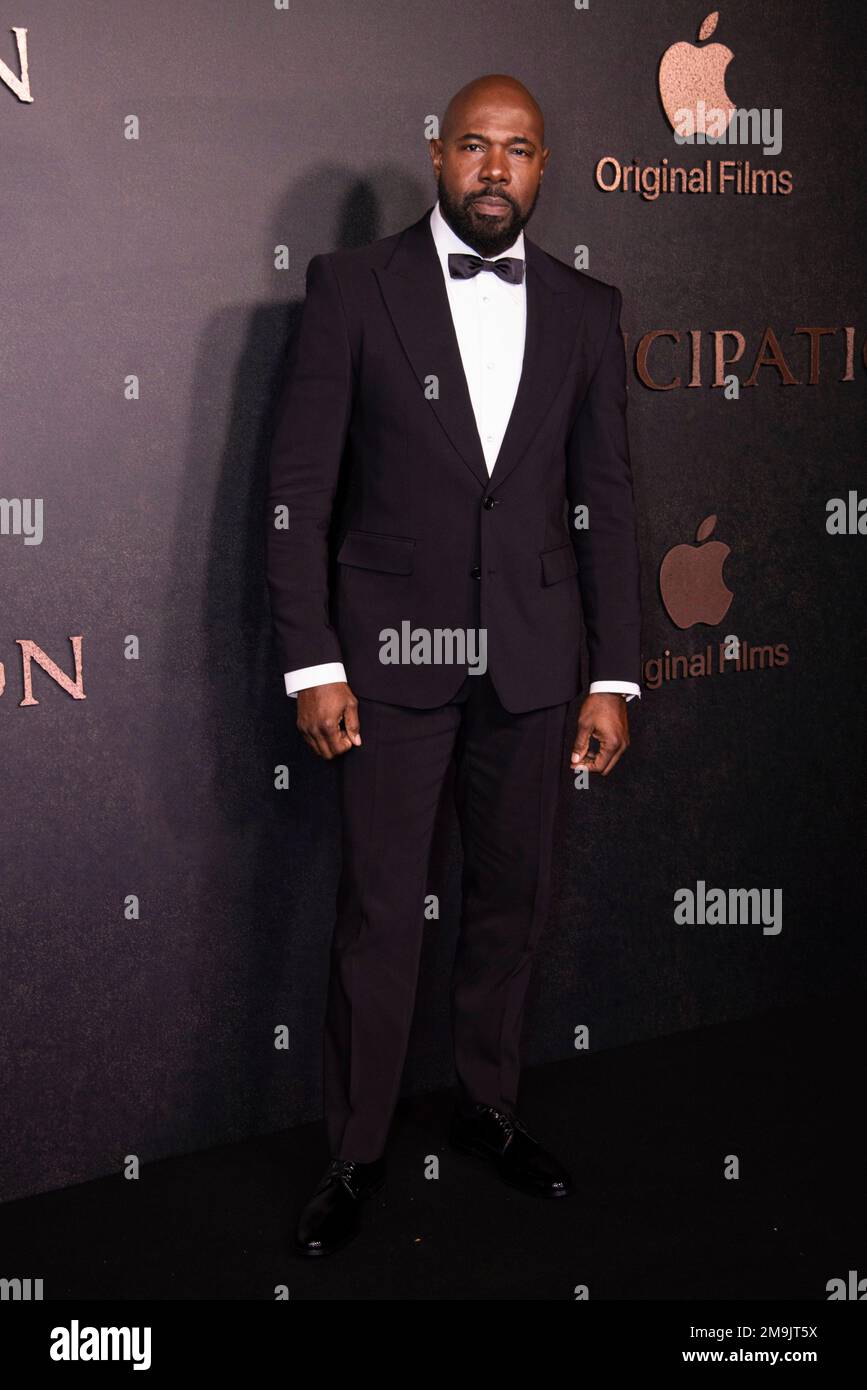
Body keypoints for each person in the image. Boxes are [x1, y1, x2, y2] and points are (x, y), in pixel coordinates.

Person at [265, 73, 642, 1257]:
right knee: (381, 915)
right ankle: (356, 1150)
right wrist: (311, 661)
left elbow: (610, 504)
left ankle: (488, 1106)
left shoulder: (587, 307)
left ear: (544, 167)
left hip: (537, 668)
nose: (494, 169)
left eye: (518, 150)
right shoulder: (351, 288)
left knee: (511, 906)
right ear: (437, 158)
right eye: (474, 147)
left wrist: (614, 674)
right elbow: (297, 494)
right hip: (385, 668)